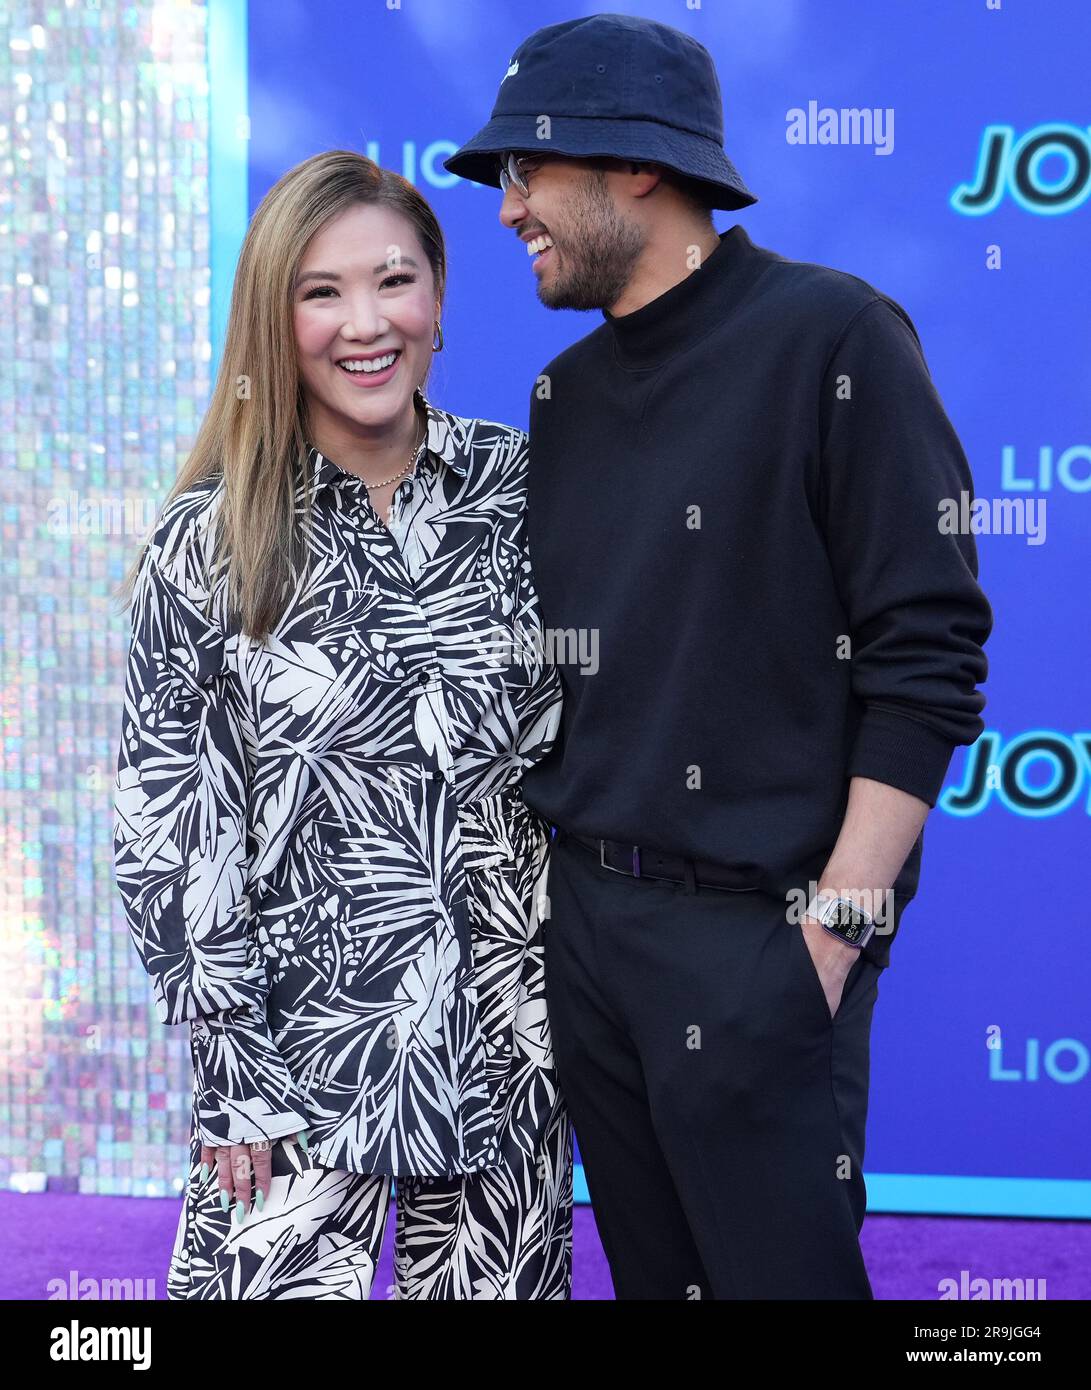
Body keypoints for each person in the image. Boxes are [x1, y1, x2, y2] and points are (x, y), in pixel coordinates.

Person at [444, 15, 993, 1300]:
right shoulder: (559, 397)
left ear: (635, 164)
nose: (508, 206)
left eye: (525, 168)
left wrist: (830, 938)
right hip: (586, 934)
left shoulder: (836, 340)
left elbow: (926, 653)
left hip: (761, 937)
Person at [111, 150, 571, 1300]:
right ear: (276, 316)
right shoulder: (210, 540)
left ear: (438, 298)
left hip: (504, 1060)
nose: (363, 323)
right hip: (295, 1066)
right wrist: (231, 1064)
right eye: (321, 291)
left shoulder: (526, 493)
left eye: (392, 281)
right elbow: (170, 824)